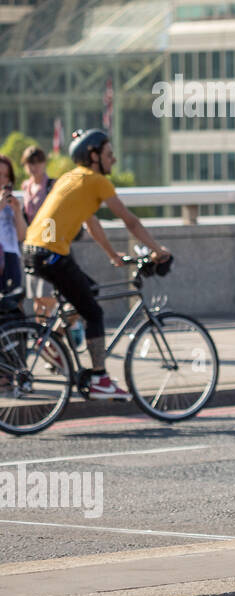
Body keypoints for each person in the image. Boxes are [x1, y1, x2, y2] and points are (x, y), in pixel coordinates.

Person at [21, 129, 171, 399]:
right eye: (109, 154)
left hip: (35, 250)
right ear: (93, 156)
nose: (113, 160)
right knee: (94, 313)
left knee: (90, 291)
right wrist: (158, 249)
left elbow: (91, 224)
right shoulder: (96, 181)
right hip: (52, 252)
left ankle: (51, 342)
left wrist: (113, 255)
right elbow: (130, 220)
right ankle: (100, 377)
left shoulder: (72, 178)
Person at [20, 146, 58, 320]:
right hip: (31, 245)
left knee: (48, 296)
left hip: (49, 245)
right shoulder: (26, 186)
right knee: (36, 297)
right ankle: (41, 339)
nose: (33, 167)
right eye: (29, 163)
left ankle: (50, 335)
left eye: (37, 162)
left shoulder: (51, 185)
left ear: (44, 163)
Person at [0, 156, 26, 305]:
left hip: (10, 257)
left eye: (5, 176)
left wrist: (17, 211)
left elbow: (22, 236)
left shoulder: (13, 201)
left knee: (12, 305)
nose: (2, 180)